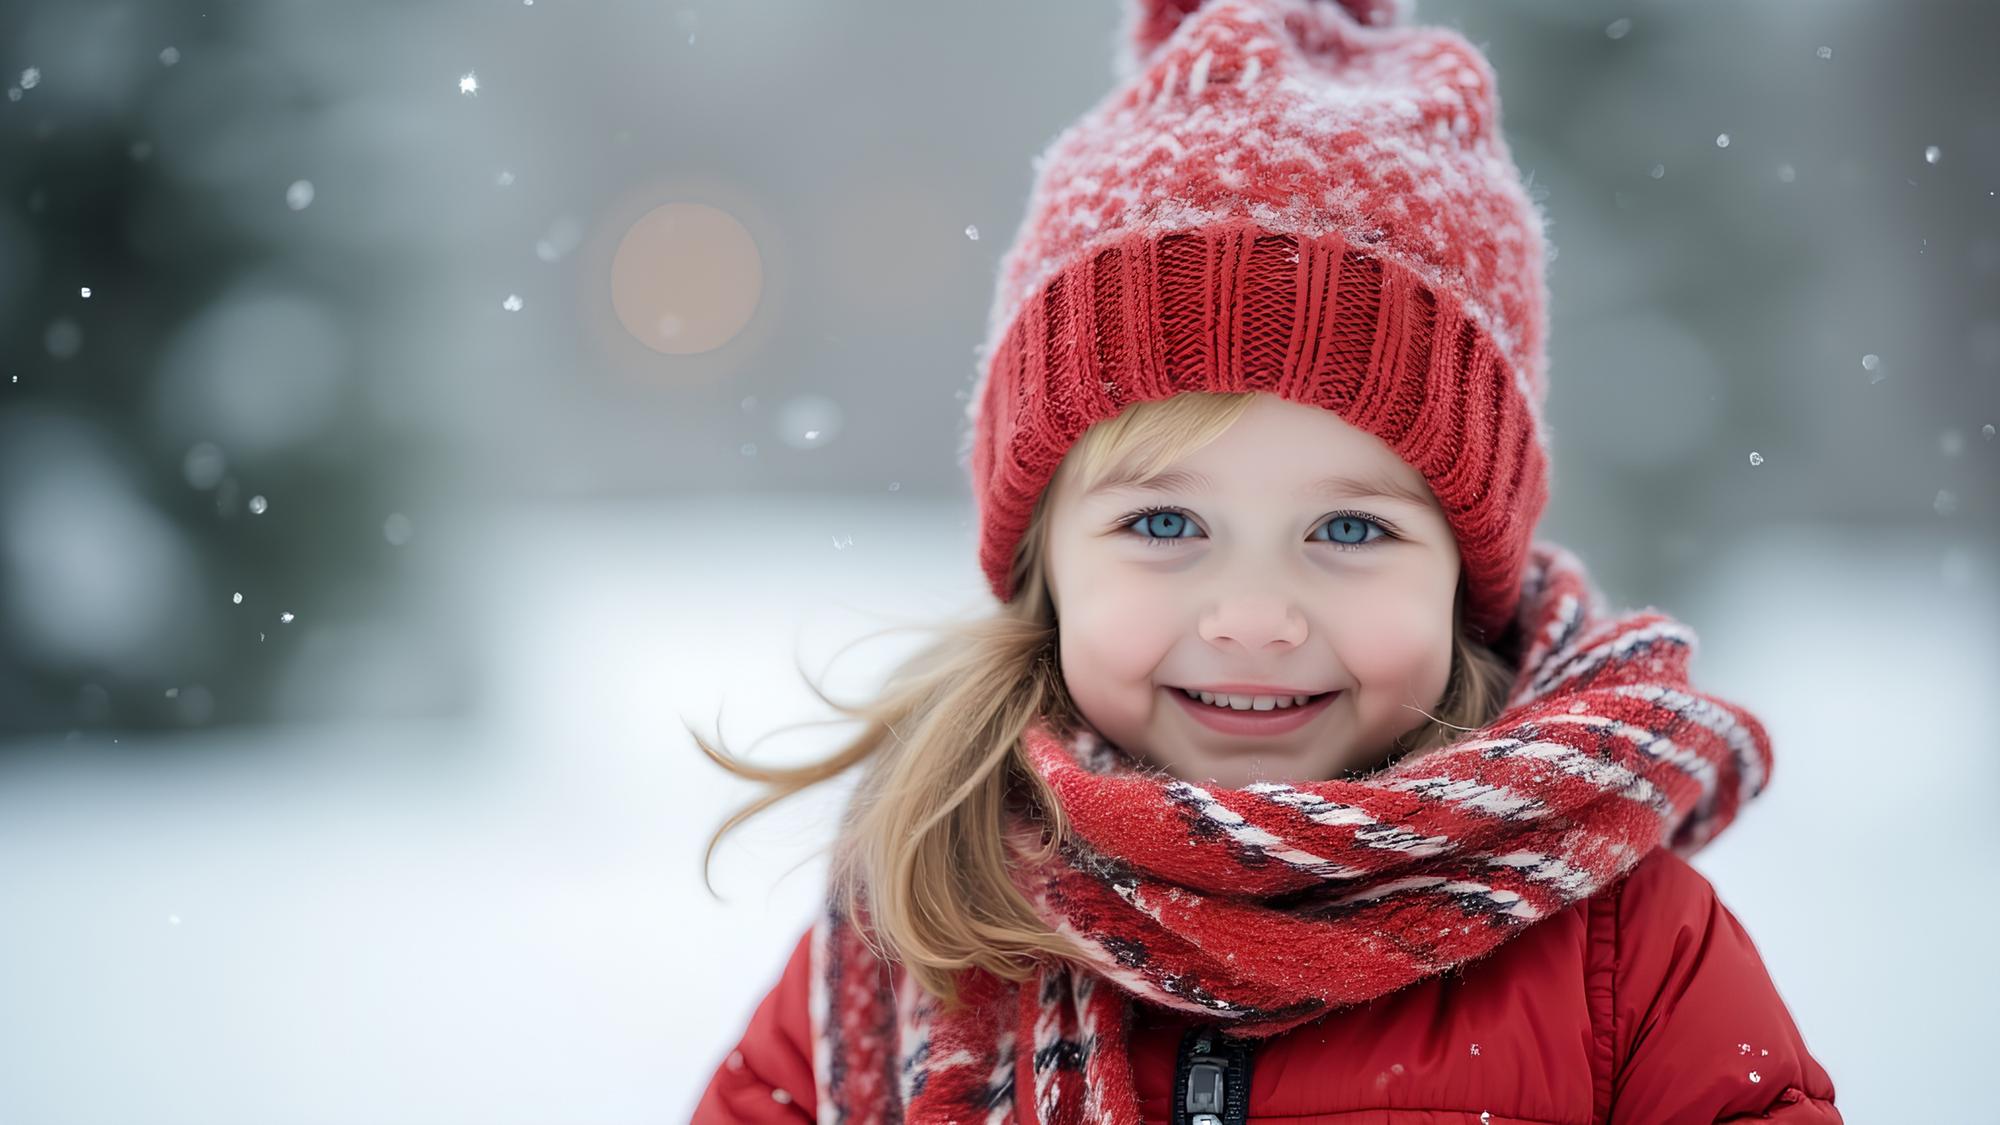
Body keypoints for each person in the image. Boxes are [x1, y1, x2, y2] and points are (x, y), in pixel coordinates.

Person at [690, 0, 1841, 1120]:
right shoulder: (924, 930)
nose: (1251, 618)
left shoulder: (1624, 959)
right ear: (1046, 558)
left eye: (1347, 531)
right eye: (1162, 526)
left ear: (1463, 576)